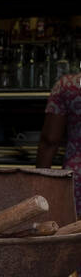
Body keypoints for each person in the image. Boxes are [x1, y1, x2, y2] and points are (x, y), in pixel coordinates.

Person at [36, 71, 81, 215]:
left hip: (77, 177)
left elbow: (50, 140)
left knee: (73, 233)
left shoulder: (68, 85)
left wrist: (39, 187)